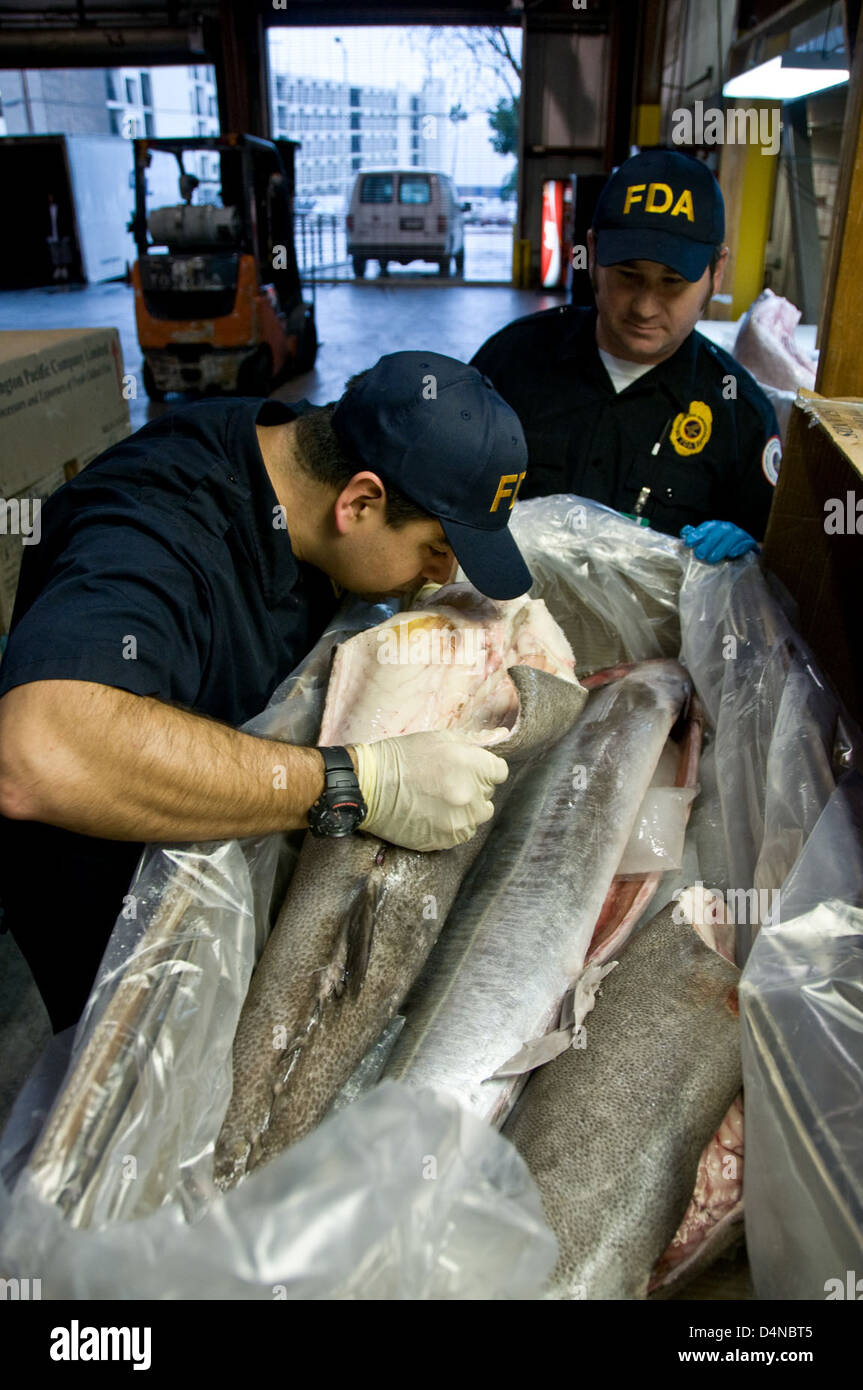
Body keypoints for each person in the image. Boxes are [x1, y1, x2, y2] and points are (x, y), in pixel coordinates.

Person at [0, 351, 532, 1031]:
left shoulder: (300, 445)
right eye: (433, 547)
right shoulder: (155, 533)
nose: (442, 571)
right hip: (121, 913)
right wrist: (354, 784)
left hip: (228, 859)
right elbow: (39, 750)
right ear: (360, 502)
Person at [472, 149, 782, 563]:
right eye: (628, 276)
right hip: (507, 621)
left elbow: (767, 579)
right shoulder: (509, 363)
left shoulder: (739, 416)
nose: (645, 307)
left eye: (672, 283)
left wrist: (751, 552)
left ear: (717, 270)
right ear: (593, 252)